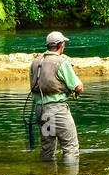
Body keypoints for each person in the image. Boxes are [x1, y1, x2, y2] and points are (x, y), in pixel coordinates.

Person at [30, 31, 84, 163]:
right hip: (57, 111)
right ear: (62, 45)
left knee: (47, 148)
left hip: (40, 110)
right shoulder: (61, 62)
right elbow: (78, 87)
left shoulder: (35, 62)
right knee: (70, 147)